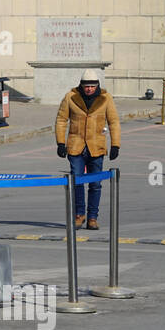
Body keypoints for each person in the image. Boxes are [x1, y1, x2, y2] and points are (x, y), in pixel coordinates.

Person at [54, 69, 121, 229]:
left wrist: (115, 145)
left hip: (96, 147)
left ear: (97, 85)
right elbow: (61, 120)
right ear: (81, 85)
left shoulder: (106, 98)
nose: (89, 89)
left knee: (95, 184)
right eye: (86, 86)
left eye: (92, 86)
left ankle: (92, 217)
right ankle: (79, 215)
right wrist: (60, 143)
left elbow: (114, 122)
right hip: (76, 146)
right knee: (76, 181)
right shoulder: (71, 97)